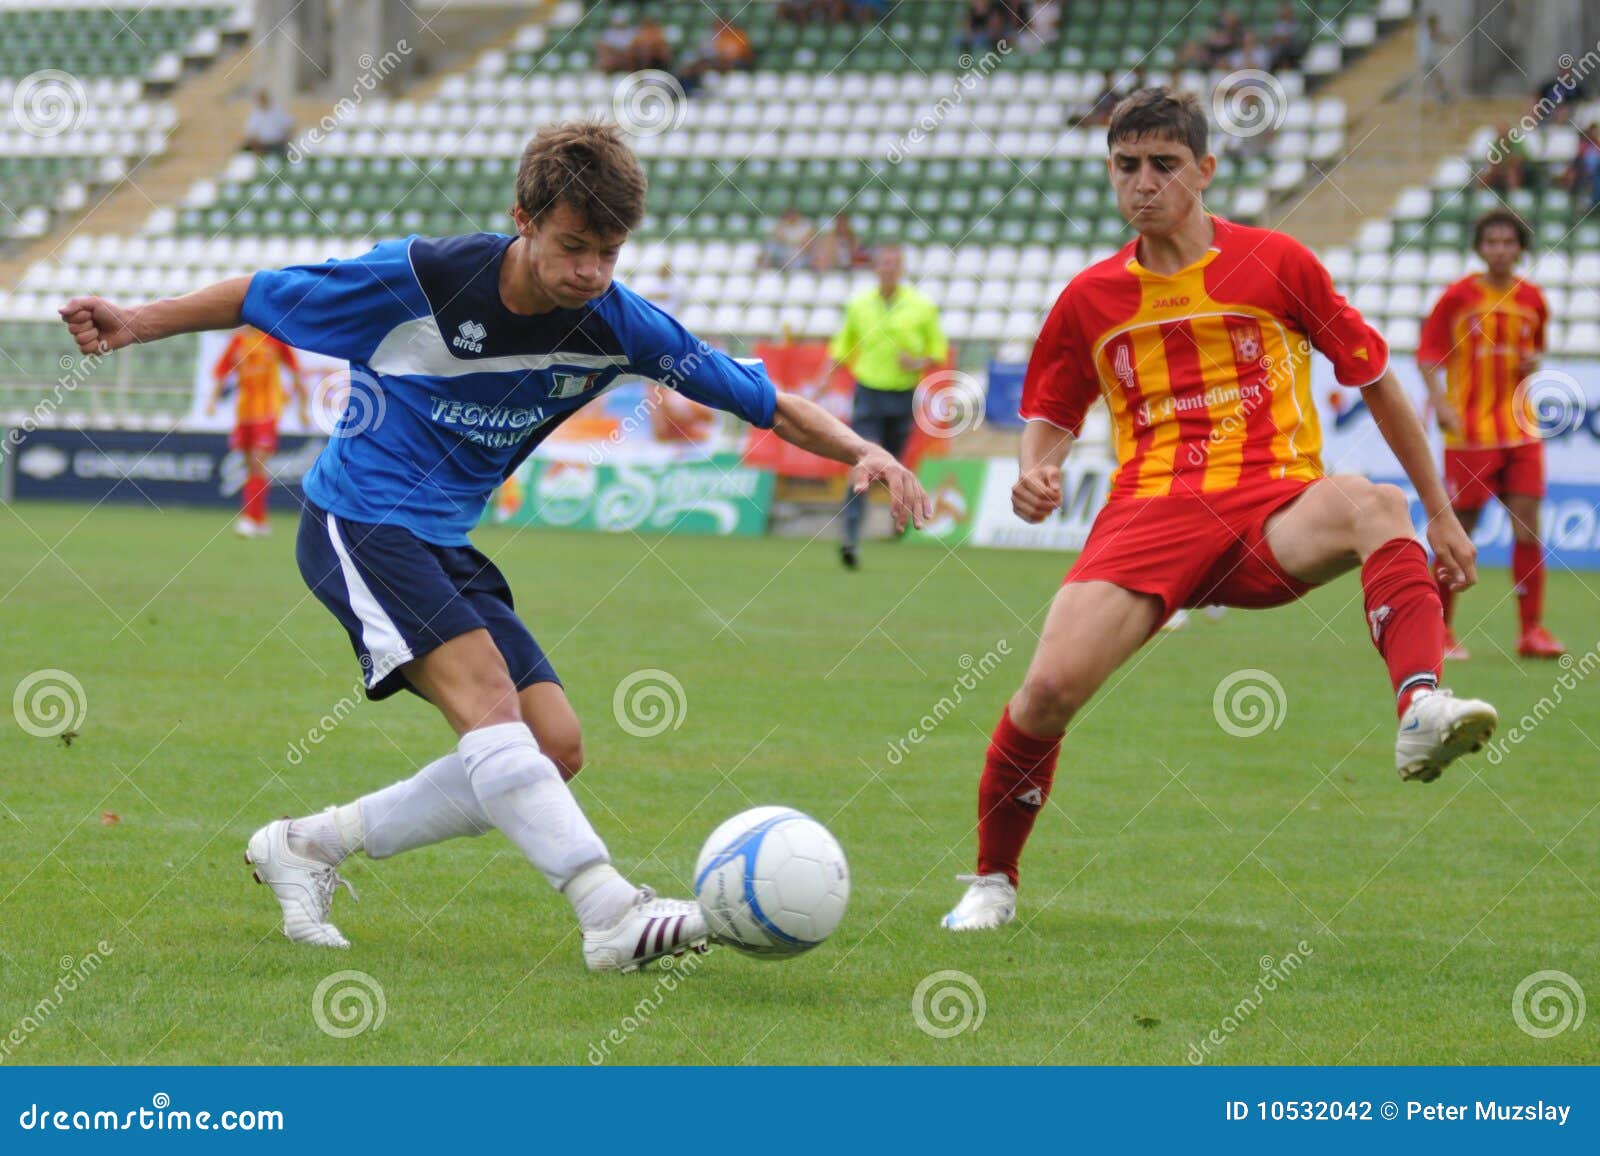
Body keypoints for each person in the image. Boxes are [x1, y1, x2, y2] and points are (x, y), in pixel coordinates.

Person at [60, 121, 929, 971]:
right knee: (489, 704)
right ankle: (610, 913)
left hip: (442, 540)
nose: (591, 271)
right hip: (358, 521)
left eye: (610, 251)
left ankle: (307, 844)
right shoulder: (427, 277)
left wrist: (865, 449)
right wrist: (134, 322)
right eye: (573, 245)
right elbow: (259, 292)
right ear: (524, 217)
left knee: (554, 746)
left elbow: (762, 400)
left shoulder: (620, 324)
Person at [940, 88, 1498, 933]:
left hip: (1273, 502)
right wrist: (1034, 471)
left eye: (1164, 164)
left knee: (1373, 503)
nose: (1144, 182)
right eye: (1127, 165)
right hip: (1148, 516)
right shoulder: (1088, 298)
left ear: (1205, 169)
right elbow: (1052, 410)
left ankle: (1420, 707)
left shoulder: (1276, 261)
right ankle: (992, 881)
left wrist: (1440, 513)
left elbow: (1375, 376)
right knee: (1047, 692)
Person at [1417, 208, 1565, 661]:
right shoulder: (1458, 297)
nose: (1500, 250)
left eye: (1509, 242)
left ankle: (1531, 631)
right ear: (1480, 248)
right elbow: (1427, 355)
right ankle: (1437, 631)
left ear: (1521, 248)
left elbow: (1535, 350)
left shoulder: (1534, 299)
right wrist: (1441, 405)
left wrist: (1531, 365)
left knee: (1528, 528)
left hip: (1521, 431)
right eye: (1492, 242)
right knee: (1459, 532)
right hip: (1470, 434)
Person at [827, 245, 948, 570]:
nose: (888, 268)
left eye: (894, 263)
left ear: (902, 268)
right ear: (875, 267)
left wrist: (917, 361)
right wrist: (825, 375)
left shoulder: (922, 307)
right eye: (883, 263)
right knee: (864, 463)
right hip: (868, 392)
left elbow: (939, 350)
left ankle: (902, 524)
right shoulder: (859, 305)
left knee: (893, 465)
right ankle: (850, 537)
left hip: (902, 394)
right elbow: (842, 345)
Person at [207, 324, 307, 537]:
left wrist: (302, 408)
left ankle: (250, 519)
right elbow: (222, 371)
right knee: (250, 466)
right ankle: (259, 520)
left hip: (268, 412)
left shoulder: (274, 339)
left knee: (257, 461)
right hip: (244, 413)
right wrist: (213, 401)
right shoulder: (238, 341)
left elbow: (295, 370)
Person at [1476, 121, 1527, 192]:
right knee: (1484, 178)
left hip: (1517, 170)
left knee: (1512, 174)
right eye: (1499, 131)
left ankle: (1514, 196)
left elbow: (1518, 160)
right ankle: (1484, 198)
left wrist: (1505, 165)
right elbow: (1492, 160)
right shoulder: (1496, 142)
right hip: (1499, 169)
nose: (1501, 133)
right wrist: (1498, 169)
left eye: (1503, 130)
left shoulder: (1516, 141)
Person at [243, 90, 294, 155]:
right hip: (263, 147)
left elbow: (291, 125)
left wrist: (286, 138)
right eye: (261, 99)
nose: (263, 101)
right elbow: (250, 134)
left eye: (264, 98)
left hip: (278, 145)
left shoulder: (277, 111)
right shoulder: (255, 115)